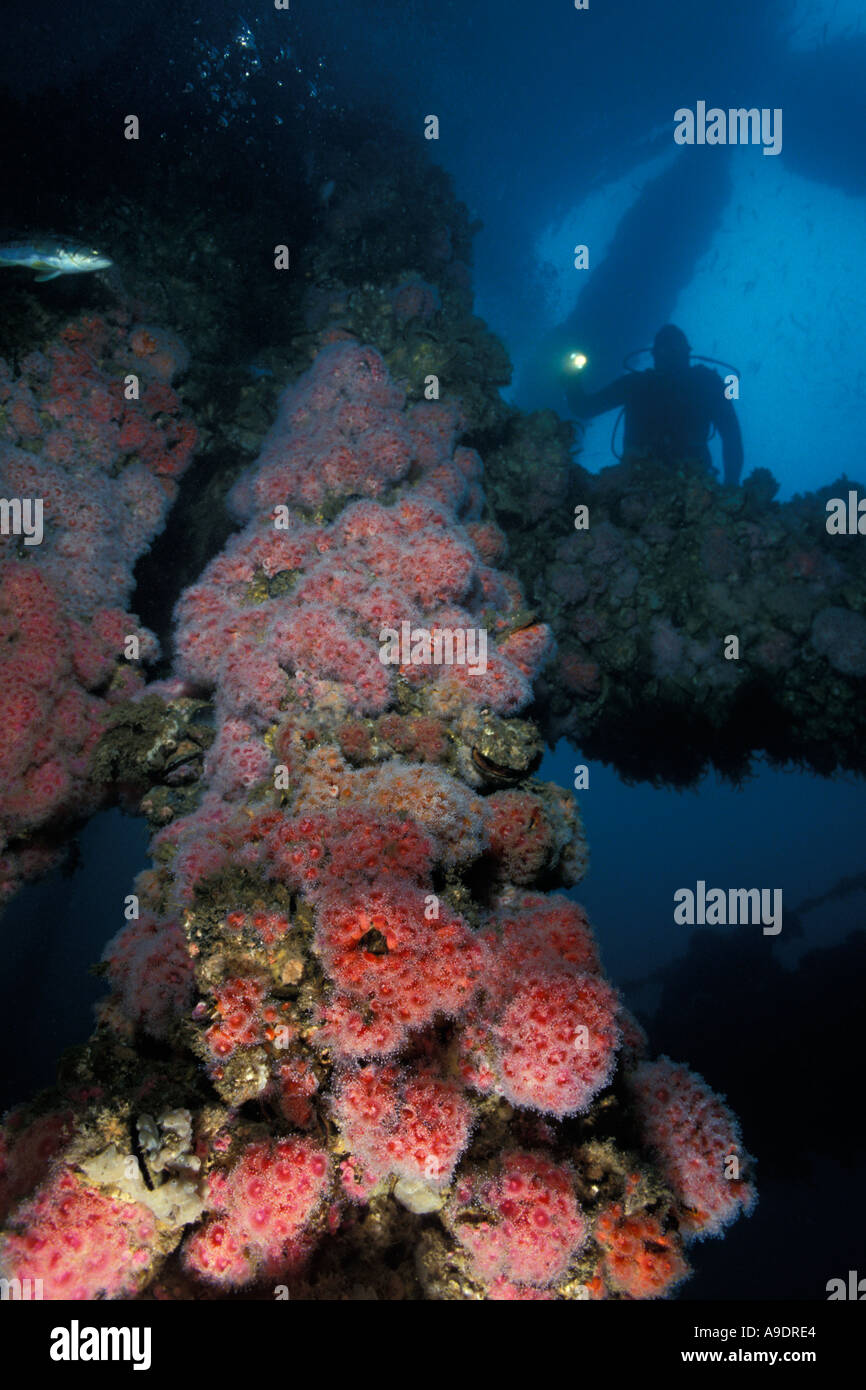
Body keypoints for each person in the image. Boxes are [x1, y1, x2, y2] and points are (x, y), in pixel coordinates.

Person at [563, 325, 744, 486]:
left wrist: (571, 374)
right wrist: (731, 487)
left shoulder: (637, 384)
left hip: (643, 486)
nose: (671, 355)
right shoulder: (707, 384)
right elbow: (731, 437)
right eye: (668, 350)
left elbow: (583, 408)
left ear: (653, 355)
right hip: (685, 486)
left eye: (674, 350)